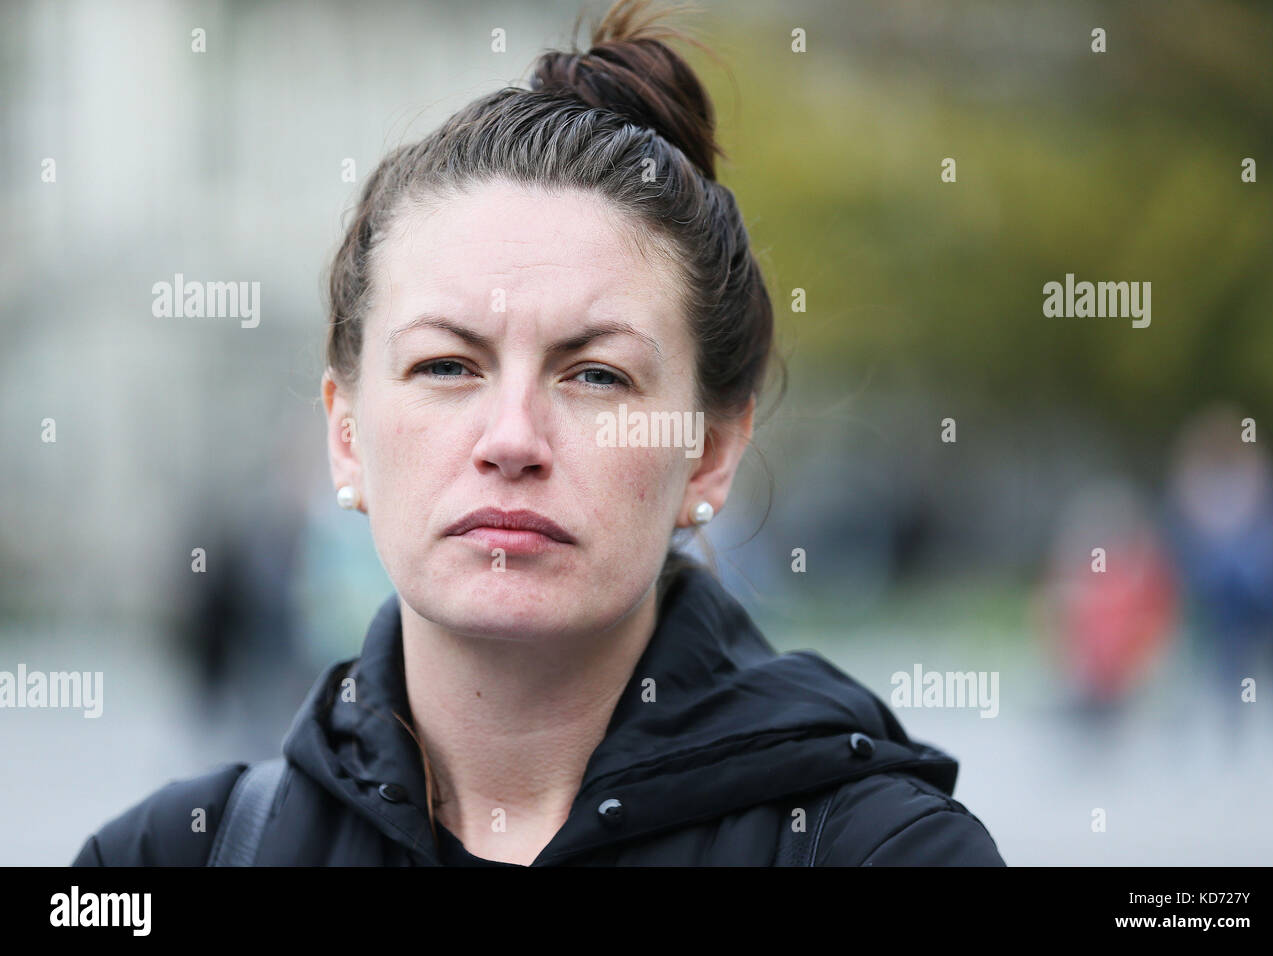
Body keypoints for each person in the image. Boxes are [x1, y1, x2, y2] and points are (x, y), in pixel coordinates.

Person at [71, 0, 1003, 866]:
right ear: (346, 434)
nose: (511, 437)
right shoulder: (167, 859)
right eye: (447, 366)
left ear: (710, 451)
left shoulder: (886, 854)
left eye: (597, 375)